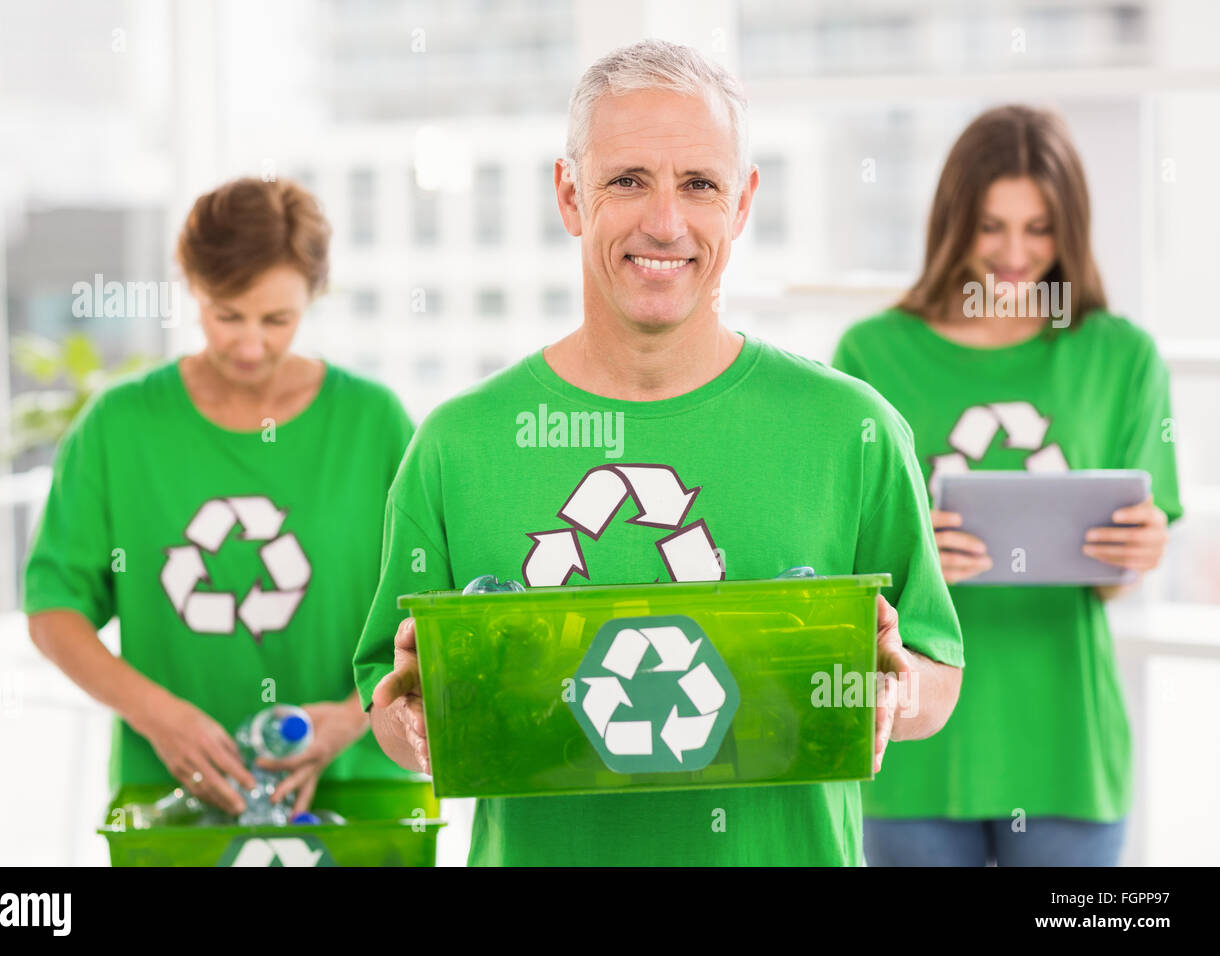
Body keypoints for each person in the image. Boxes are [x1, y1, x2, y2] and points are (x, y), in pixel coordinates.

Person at [354, 39, 964, 866]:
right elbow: (389, 707)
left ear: (743, 203)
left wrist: (894, 692)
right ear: (570, 194)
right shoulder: (457, 445)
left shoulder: (852, 429)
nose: (665, 223)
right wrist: (413, 720)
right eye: (628, 180)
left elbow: (935, 671)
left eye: (700, 184)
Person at [832, 105, 1183, 866]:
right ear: (954, 223)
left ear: (1072, 229)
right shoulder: (871, 354)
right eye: (992, 227)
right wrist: (915, 561)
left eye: (1040, 228)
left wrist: (1135, 552)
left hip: (1064, 742)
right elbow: (841, 562)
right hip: (919, 743)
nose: (1016, 254)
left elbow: (1114, 586)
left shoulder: (1121, 357)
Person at [24, 177, 415, 816]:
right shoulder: (119, 426)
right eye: (226, 314)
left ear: (313, 298)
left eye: (277, 319)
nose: (249, 344)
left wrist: (354, 717)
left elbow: (430, 610)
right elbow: (53, 610)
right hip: (175, 801)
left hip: (361, 794)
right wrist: (158, 717)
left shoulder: (374, 423)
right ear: (191, 288)